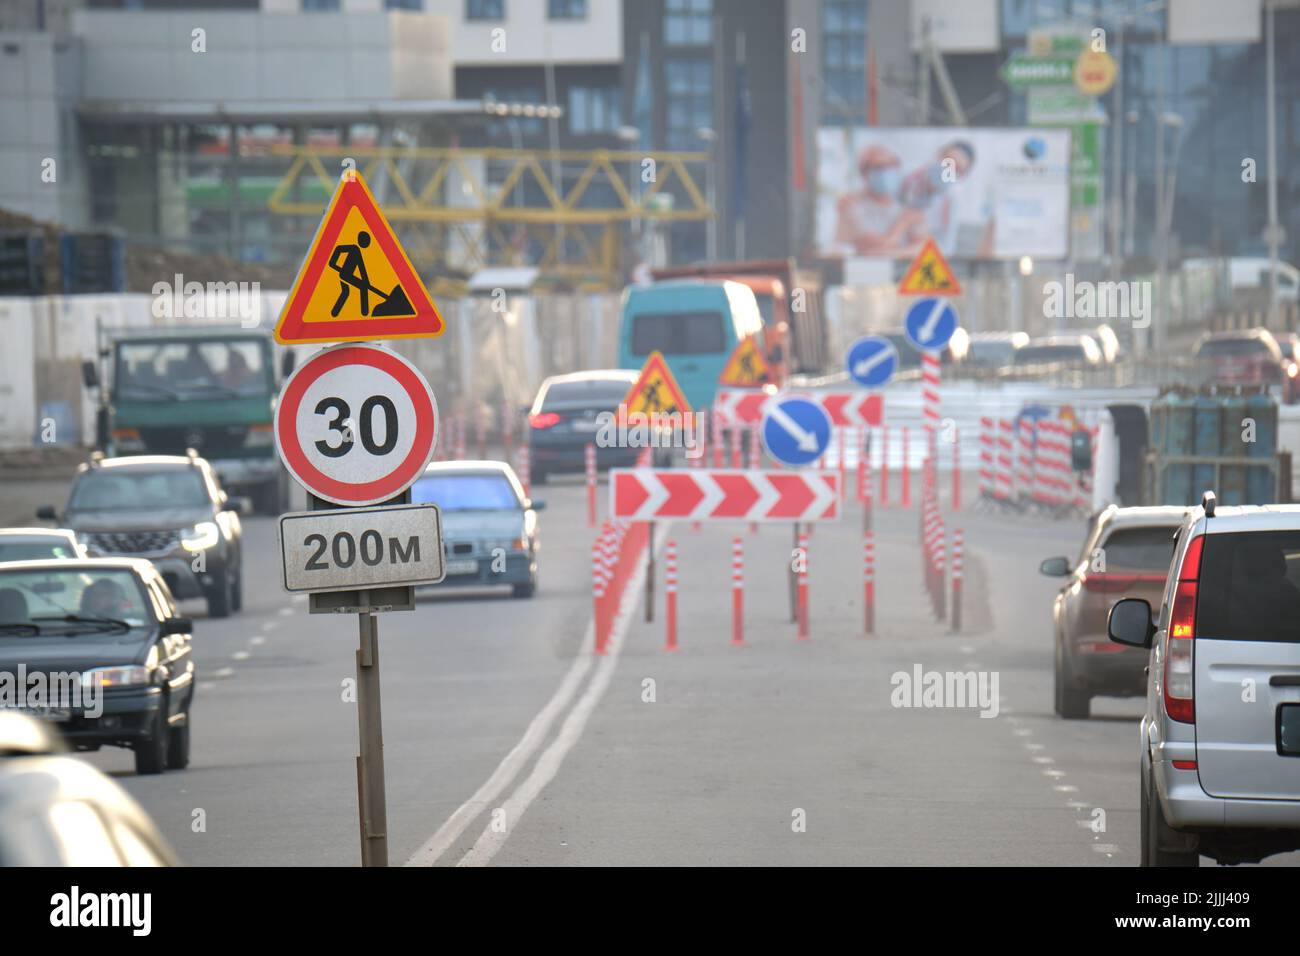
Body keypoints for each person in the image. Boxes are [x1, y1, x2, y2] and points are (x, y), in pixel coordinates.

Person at [833, 145, 925, 257]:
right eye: (879, 167)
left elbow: (923, 248)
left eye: (892, 165)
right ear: (865, 174)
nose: (887, 171)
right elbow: (874, 251)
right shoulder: (851, 206)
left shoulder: (904, 207)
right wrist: (903, 224)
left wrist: (893, 252)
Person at [898, 140, 976, 250]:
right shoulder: (905, 177)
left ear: (961, 176)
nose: (948, 169)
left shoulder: (950, 204)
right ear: (939, 154)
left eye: (956, 168)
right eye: (947, 161)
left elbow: (947, 248)